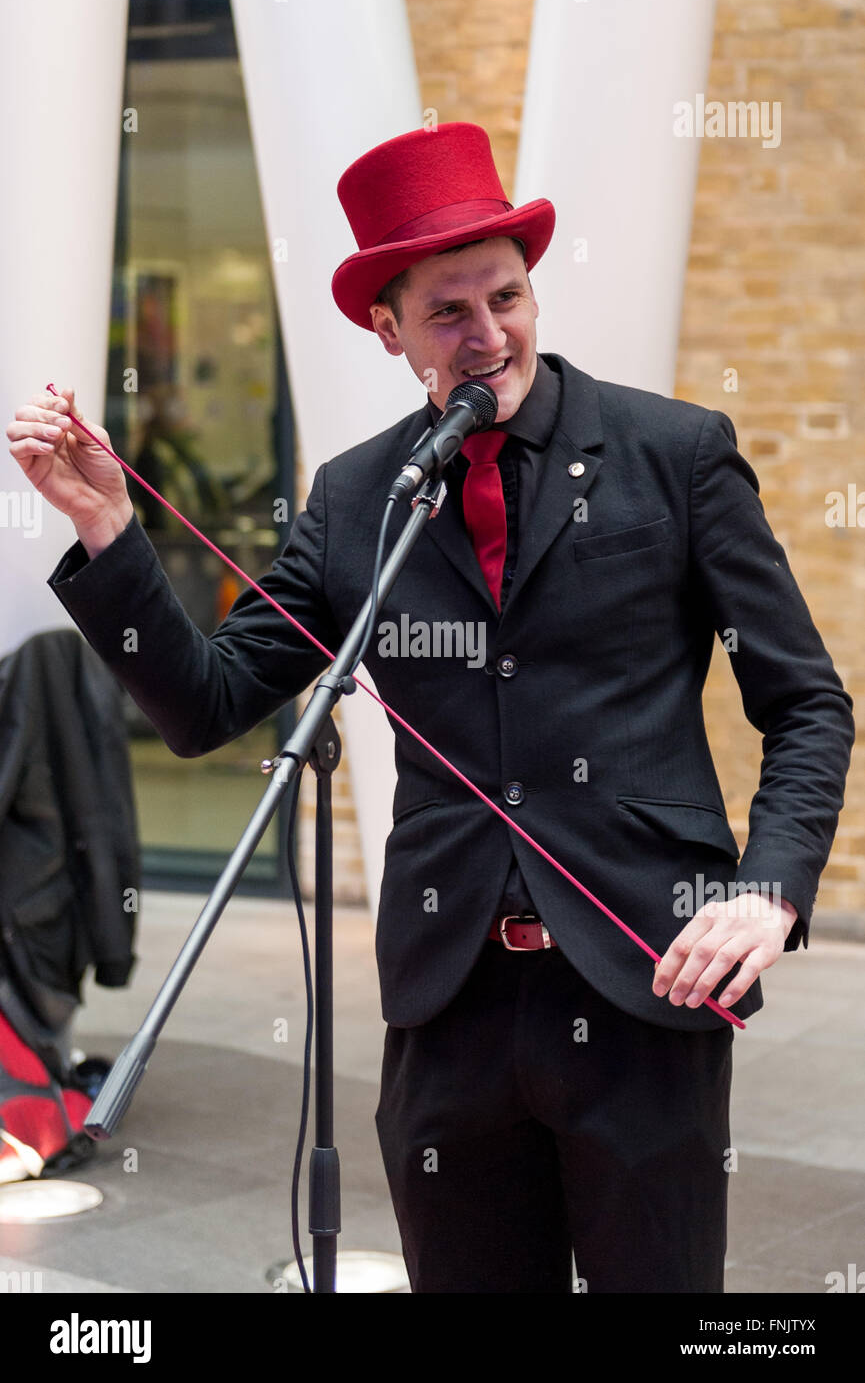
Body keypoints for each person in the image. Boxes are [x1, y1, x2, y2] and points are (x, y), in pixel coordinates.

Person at [6, 122, 854, 1293]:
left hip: (645, 981)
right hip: (448, 1000)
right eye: (448, 314)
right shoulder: (359, 494)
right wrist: (109, 527)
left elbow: (805, 702)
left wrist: (769, 889)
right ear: (388, 329)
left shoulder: (675, 452)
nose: (488, 334)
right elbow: (207, 702)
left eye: (505, 297)